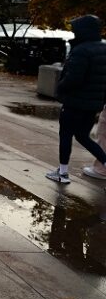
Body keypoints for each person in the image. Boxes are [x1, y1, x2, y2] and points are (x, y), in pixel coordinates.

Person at [45, 15, 106, 183]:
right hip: (93, 103)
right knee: (83, 136)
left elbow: (74, 78)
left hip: (74, 101)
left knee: (66, 134)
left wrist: (60, 87)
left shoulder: (82, 50)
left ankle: (62, 172)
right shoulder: (102, 49)